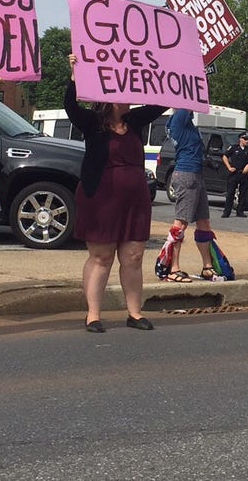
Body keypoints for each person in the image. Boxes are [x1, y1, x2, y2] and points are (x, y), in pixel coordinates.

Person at [65, 54, 166, 333]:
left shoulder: (134, 121)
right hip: (101, 199)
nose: (129, 99)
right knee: (102, 257)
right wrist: (74, 75)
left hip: (135, 201)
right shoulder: (92, 122)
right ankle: (93, 315)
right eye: (123, 94)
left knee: (134, 256)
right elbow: (70, 106)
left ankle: (134, 313)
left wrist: (182, 75)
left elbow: (161, 103)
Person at [157, 108, 223, 283]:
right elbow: (186, 101)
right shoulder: (179, 118)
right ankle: (173, 268)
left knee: (203, 222)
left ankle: (207, 266)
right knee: (181, 223)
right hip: (186, 174)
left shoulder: (186, 124)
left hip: (195, 174)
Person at [221, 131, 248, 218]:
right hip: (234, 173)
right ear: (240, 139)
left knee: (243, 193)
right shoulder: (234, 148)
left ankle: (240, 211)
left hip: (244, 174)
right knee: (230, 193)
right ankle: (227, 212)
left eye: (247, 139)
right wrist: (229, 167)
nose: (247, 141)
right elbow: (225, 156)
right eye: (245, 139)